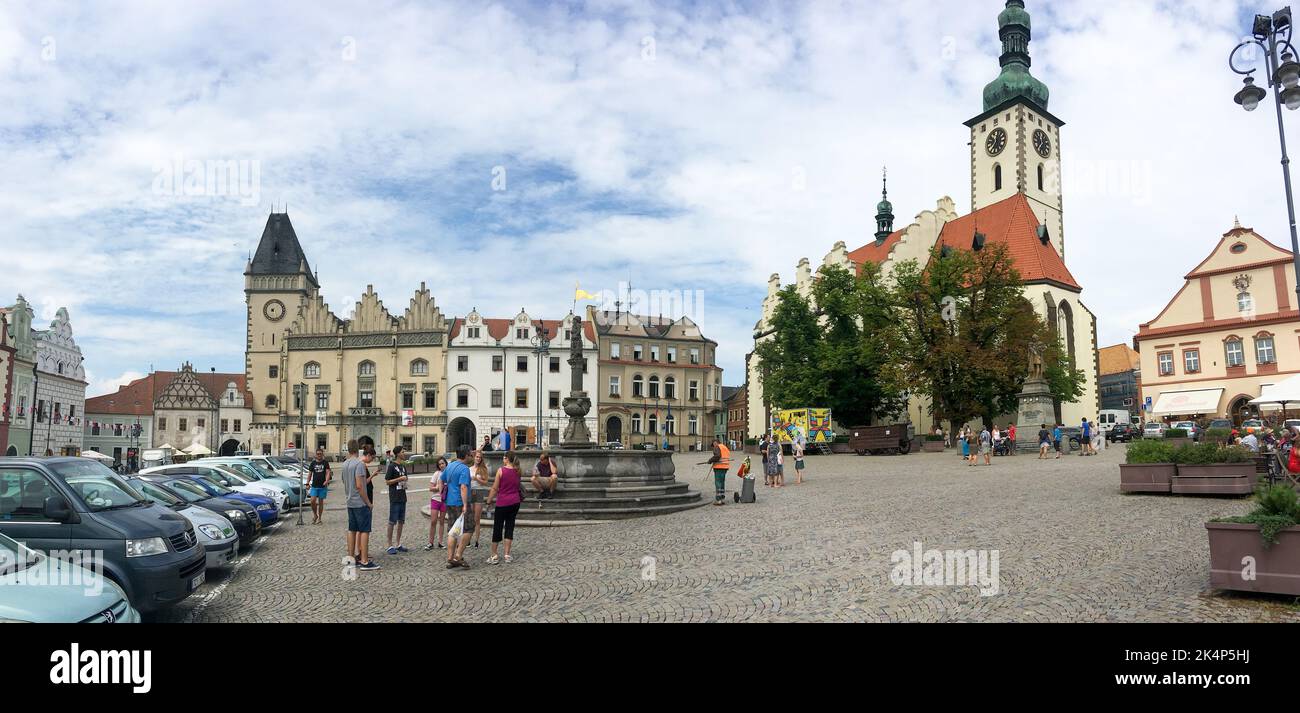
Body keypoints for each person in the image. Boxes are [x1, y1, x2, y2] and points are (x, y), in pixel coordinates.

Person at [342, 441, 380, 572]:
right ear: (358, 449)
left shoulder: (345, 464)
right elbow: (360, 486)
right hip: (360, 503)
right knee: (364, 530)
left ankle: (351, 558)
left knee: (352, 530)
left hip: (350, 501)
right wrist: (368, 503)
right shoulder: (359, 464)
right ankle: (364, 561)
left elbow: (344, 482)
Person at [486, 451, 523, 564]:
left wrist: (489, 500)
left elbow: (495, 488)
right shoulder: (518, 471)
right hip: (515, 502)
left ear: (507, 459)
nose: (503, 459)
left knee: (498, 527)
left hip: (502, 502)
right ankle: (507, 554)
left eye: (504, 457)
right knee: (509, 527)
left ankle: (494, 555)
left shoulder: (501, 470)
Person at [442, 445, 474, 570]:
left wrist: (442, 493)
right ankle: (458, 555)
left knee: (452, 530)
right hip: (460, 502)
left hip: (450, 502)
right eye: (470, 454)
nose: (471, 456)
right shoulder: (464, 469)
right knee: (469, 528)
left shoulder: (450, 465)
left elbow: (441, 479)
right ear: (466, 455)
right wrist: (465, 504)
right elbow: (463, 487)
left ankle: (450, 558)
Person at [384, 446, 410, 555]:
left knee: (401, 521)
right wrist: (399, 479)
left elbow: (405, 478)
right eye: (403, 452)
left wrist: (405, 482)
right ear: (398, 454)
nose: (405, 453)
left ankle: (398, 543)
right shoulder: (391, 466)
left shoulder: (403, 466)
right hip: (394, 497)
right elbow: (387, 481)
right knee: (392, 521)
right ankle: (389, 545)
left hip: (402, 496)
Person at [423, 456, 449, 551]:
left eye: (443, 463)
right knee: (433, 521)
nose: (442, 465)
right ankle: (430, 542)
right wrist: (437, 487)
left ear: (446, 463)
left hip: (444, 500)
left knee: (442, 521)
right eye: (440, 464)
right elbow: (430, 488)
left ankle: (440, 542)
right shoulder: (436, 474)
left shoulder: (448, 473)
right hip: (435, 499)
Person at [469, 450, 491, 548]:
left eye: (480, 457)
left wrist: (477, 479)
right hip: (470, 492)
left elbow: (486, 482)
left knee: (477, 518)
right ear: (474, 457)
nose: (478, 458)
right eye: (477, 457)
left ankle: (476, 540)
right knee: (469, 517)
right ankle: (468, 539)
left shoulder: (483, 469)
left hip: (479, 492)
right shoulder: (469, 469)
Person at [308, 447, 332, 525]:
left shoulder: (325, 463)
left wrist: (327, 480)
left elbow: (328, 472)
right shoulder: (313, 463)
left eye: (320, 454)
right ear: (316, 454)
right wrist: (307, 483)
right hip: (314, 485)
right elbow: (310, 474)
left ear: (322, 454)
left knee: (321, 502)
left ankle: (320, 518)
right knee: (312, 501)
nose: (319, 455)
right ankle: (315, 515)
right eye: (317, 454)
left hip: (322, 486)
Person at [705, 436, 731, 505]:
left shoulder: (717, 447)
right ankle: (722, 498)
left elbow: (717, 456)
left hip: (719, 467)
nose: (713, 447)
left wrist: (710, 460)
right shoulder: (724, 447)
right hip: (725, 466)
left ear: (715, 443)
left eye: (713, 445)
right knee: (722, 483)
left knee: (718, 483)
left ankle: (718, 499)